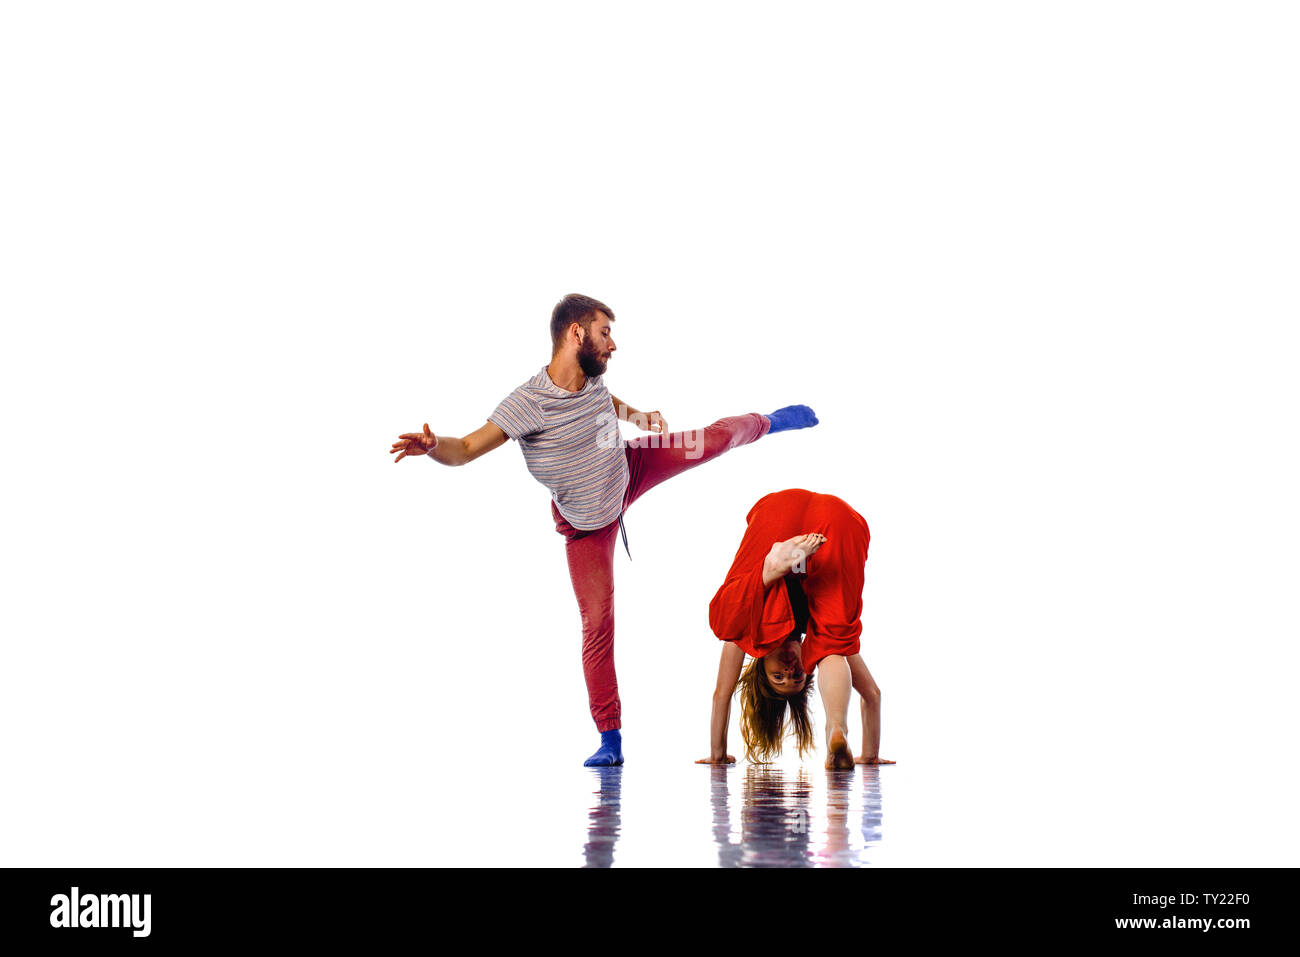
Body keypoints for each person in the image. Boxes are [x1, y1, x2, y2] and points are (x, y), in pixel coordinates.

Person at [390, 294, 819, 766]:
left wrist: (639, 418)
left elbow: (606, 402)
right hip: (587, 528)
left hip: (633, 467)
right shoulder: (527, 404)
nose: (612, 344)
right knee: (597, 624)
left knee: (712, 440)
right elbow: (467, 447)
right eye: (605, 332)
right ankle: (610, 738)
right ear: (576, 333)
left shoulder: (593, 378)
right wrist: (434, 447)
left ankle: (772, 421)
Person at [699, 488, 894, 769]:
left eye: (777, 676)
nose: (789, 670)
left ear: (760, 668)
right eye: (798, 676)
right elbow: (872, 694)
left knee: (728, 623)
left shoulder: (748, 637)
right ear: (808, 668)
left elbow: (722, 693)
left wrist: (717, 754)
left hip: (777, 517)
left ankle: (769, 571)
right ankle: (836, 731)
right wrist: (870, 754)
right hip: (836, 522)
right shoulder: (818, 639)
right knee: (833, 646)